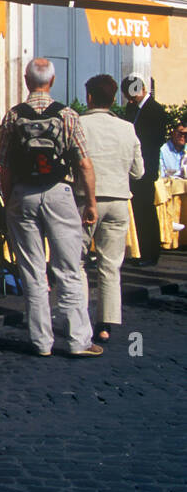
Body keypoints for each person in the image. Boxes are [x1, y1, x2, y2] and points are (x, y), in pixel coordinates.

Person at [0, 58, 100, 357]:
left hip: (23, 195)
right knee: (68, 269)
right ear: (52, 81)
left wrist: (9, 201)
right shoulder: (68, 115)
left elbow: (3, 165)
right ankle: (77, 340)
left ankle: (41, 341)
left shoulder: (13, 116)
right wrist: (91, 201)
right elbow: (83, 162)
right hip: (59, 192)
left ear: (26, 81)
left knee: (32, 270)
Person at [79, 74, 143, 344]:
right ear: (114, 99)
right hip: (118, 199)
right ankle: (105, 324)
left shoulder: (79, 125)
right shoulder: (127, 128)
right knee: (110, 265)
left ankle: (79, 319)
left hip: (85, 199)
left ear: (89, 97)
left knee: (78, 262)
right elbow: (139, 171)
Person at [123, 74, 168, 267]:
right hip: (131, 166)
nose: (130, 100)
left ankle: (151, 252)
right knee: (137, 212)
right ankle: (141, 250)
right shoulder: (131, 109)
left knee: (146, 210)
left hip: (146, 167)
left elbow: (154, 141)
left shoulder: (155, 110)